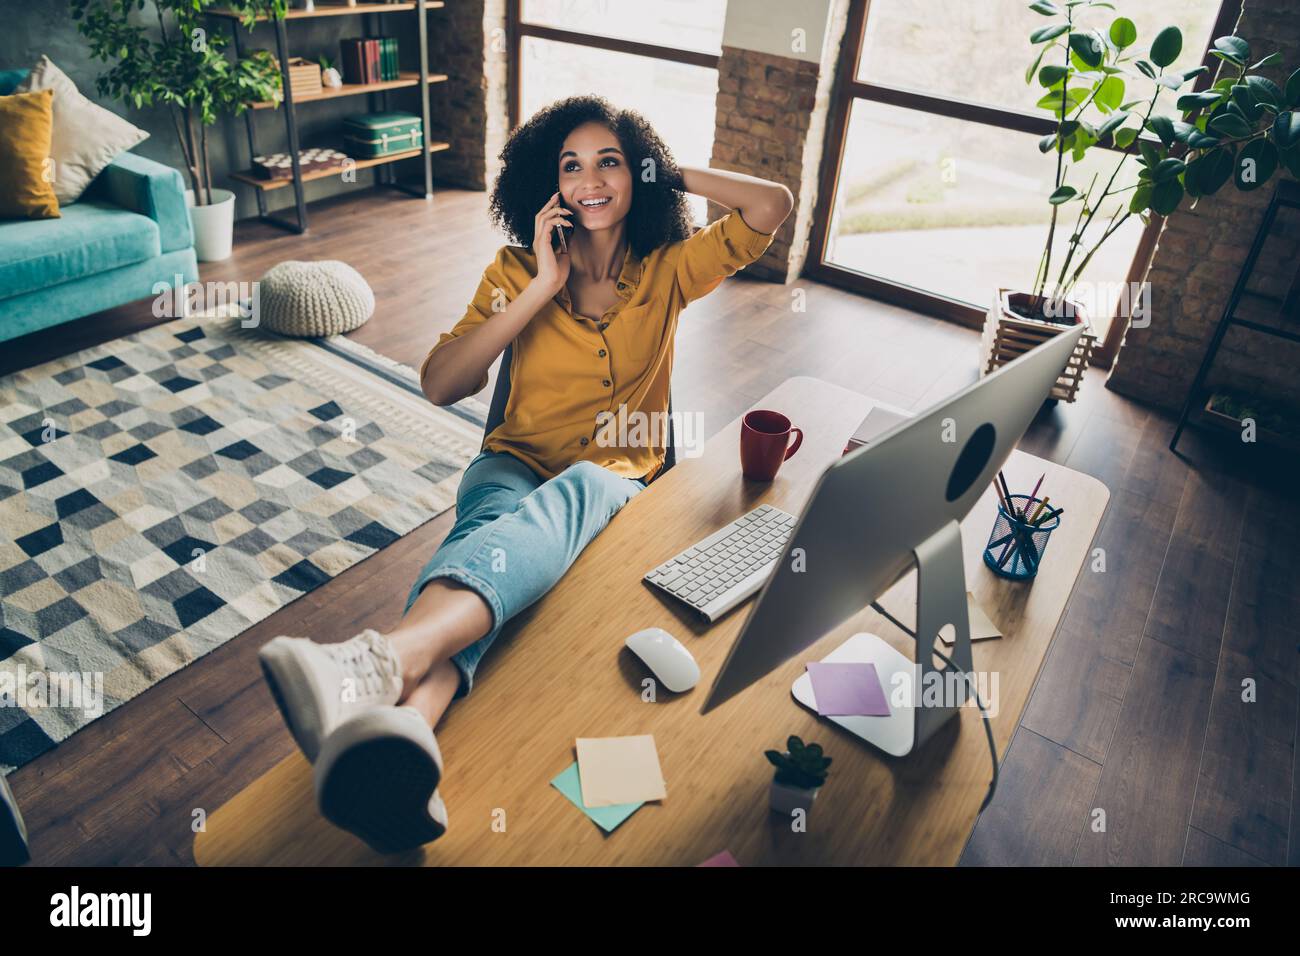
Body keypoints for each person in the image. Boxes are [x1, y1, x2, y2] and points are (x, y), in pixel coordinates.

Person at [258, 96, 794, 853]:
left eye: (610, 161)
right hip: (510, 465)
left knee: (555, 505)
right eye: (570, 165)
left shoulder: (670, 271)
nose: (590, 180)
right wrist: (542, 286)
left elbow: (771, 205)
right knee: (490, 537)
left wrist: (664, 172)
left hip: (610, 479)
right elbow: (441, 384)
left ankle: (383, 667)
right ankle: (408, 722)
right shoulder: (516, 271)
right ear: (549, 186)